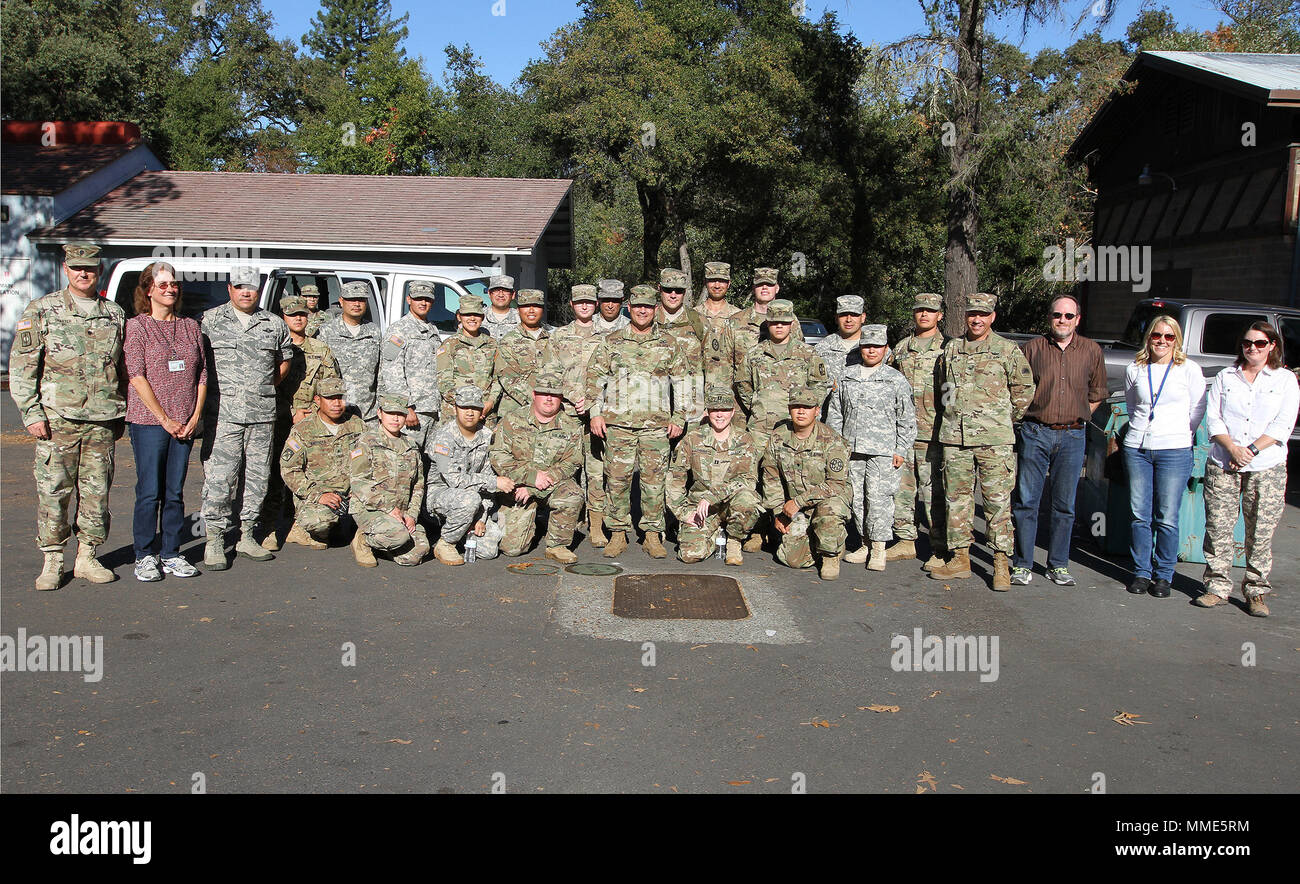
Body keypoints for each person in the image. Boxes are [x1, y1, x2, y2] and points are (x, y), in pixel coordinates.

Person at [9, 243, 126, 589]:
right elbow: (22, 366)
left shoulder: (115, 313)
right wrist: (31, 413)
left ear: (99, 270)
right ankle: (53, 559)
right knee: (54, 491)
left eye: (89, 267)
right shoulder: (43, 310)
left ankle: (87, 557)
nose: (83, 273)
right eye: (76, 267)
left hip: (101, 420)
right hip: (57, 418)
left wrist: (119, 413)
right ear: (65, 269)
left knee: (96, 492)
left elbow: (119, 367)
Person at [930, 293, 1035, 589]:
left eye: (983, 314)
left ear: (992, 317)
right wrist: (952, 415)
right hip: (955, 438)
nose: (976, 319)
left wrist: (1003, 419)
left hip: (994, 439)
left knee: (997, 503)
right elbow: (943, 388)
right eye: (972, 314)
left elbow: (1024, 390)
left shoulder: (1007, 350)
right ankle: (960, 557)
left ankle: (1000, 562)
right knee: (957, 501)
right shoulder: (951, 350)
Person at [1197, 322, 1299, 616]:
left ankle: (1256, 591)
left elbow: (1283, 424)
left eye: (1260, 343)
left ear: (1272, 346)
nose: (1252, 348)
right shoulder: (1225, 377)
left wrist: (1250, 451)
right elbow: (1213, 419)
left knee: (1260, 531)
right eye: (1247, 343)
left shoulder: (1284, 380)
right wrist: (1232, 449)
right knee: (1218, 527)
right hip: (1224, 462)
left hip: (1266, 465)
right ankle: (1217, 588)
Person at [199, 266, 293, 569]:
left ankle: (247, 535)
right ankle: (214, 538)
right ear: (230, 289)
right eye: (240, 287)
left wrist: (260, 389)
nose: (246, 292)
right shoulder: (210, 321)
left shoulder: (274, 324)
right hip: (222, 415)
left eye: (251, 287)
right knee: (220, 478)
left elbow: (282, 364)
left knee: (256, 477)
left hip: (261, 414)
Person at [586, 285, 689, 559]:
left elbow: (683, 383)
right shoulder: (612, 341)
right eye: (637, 306)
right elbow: (594, 378)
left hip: (656, 427)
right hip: (618, 425)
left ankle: (652, 535)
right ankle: (618, 533)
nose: (642, 310)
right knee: (617, 481)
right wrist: (595, 412)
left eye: (648, 306)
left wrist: (679, 417)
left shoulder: (669, 343)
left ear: (655, 309)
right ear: (628, 308)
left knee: (654, 483)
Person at [1010, 296, 1106, 587]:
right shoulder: (1032, 349)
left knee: (1065, 505)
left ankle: (1058, 565)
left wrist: (1078, 417)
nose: (1062, 320)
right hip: (1035, 432)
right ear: (1049, 318)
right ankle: (1022, 564)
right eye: (1056, 315)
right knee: (1027, 501)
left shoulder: (1091, 351)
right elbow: (1017, 389)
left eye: (1068, 315)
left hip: (1073, 436)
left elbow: (1097, 392)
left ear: (1078, 318)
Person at [123, 261, 206, 582]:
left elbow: (202, 374)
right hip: (149, 422)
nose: (170, 289)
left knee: (175, 492)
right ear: (148, 291)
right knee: (149, 491)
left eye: (173, 284)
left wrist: (195, 416)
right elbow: (136, 375)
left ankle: (172, 552)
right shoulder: (137, 327)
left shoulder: (190, 326)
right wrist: (165, 419)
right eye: (162, 285)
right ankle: (144, 554)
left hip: (185, 423)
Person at [1122, 314, 1207, 598]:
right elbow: (1133, 405)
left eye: (1168, 337)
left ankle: (1164, 575)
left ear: (1176, 340)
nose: (1162, 341)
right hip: (1138, 447)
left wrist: (1182, 434)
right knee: (1138, 515)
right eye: (1157, 335)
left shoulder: (1189, 369)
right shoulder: (1135, 367)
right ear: (1149, 338)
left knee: (1167, 516)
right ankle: (1141, 572)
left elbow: (1197, 408)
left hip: (1175, 449)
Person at [736, 298, 829, 550]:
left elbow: (820, 385)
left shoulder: (807, 353)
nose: (779, 326)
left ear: (791, 323)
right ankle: (757, 530)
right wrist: (757, 404)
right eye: (774, 322)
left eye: (784, 322)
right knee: (756, 475)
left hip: (793, 427)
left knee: (791, 477)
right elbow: (743, 385)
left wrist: (806, 413)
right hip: (760, 426)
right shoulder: (755, 354)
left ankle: (787, 528)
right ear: (768, 323)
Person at [827, 325, 916, 571]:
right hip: (852, 448)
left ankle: (879, 548)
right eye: (867, 346)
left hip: (883, 450)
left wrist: (901, 449)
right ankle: (865, 543)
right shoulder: (846, 376)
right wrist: (835, 447)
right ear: (861, 348)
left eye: (877, 346)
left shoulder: (895, 379)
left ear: (886, 350)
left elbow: (906, 419)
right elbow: (835, 414)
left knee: (878, 499)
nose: (872, 351)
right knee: (857, 499)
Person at [260, 294, 342, 550]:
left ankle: (300, 526)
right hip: (278, 419)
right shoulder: (271, 347)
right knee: (275, 473)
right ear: (282, 317)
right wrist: (292, 410)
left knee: (309, 472)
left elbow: (331, 386)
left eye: (302, 314)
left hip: (310, 423)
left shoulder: (321, 350)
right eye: (292, 314)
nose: (298, 318)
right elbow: (263, 385)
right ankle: (270, 527)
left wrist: (315, 412)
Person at [489, 369, 586, 563]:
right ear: (534, 395)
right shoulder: (512, 420)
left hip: (552, 484)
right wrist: (530, 478)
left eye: (555, 395)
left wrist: (537, 485)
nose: (549, 399)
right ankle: (531, 522)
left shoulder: (571, 426)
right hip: (517, 486)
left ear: (561, 398)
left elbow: (572, 462)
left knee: (573, 495)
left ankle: (557, 545)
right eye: (544, 393)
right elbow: (498, 455)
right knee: (512, 549)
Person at [543, 284, 610, 547]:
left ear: (595, 305)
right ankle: (567, 523)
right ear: (571, 304)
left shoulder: (607, 337)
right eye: (579, 302)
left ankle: (595, 525)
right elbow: (549, 371)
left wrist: (593, 401)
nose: (584, 306)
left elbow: (612, 375)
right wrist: (574, 394)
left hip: (597, 414)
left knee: (596, 470)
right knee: (566, 468)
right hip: (568, 412)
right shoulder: (559, 336)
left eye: (589, 302)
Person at [762, 385, 852, 580]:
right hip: (795, 507)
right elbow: (771, 478)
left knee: (829, 511)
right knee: (793, 559)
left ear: (817, 411)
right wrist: (779, 512)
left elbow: (836, 485)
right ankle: (815, 537)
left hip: (827, 500)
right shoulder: (778, 437)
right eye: (796, 407)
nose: (801, 411)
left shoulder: (832, 441)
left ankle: (831, 554)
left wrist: (799, 502)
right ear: (789, 410)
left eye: (807, 407)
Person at [666, 386, 761, 565]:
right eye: (714, 410)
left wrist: (713, 496)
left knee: (748, 501)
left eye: (724, 410)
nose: (719, 415)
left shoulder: (744, 440)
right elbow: (675, 479)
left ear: (732, 412)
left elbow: (748, 480)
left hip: (732, 504)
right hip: (701, 508)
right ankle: (714, 531)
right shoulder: (693, 439)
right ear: (707, 412)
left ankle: (734, 540)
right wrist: (683, 513)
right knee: (690, 555)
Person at [888, 292, 946, 564]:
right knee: (902, 489)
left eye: (930, 310)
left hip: (932, 433)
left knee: (933, 492)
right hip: (903, 434)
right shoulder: (901, 349)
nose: (924, 314)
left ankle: (939, 547)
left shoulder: (948, 349)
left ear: (939, 315)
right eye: (920, 310)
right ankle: (905, 540)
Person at [277, 378, 366, 549]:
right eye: (330, 398)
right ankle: (307, 530)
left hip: (351, 494)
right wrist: (318, 495)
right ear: (317, 400)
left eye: (340, 397)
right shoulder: (303, 430)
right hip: (317, 496)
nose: (337, 403)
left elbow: (372, 459)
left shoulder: (356, 425)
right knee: (318, 522)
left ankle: (341, 526)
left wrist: (361, 489)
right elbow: (289, 470)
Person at [426, 386, 509, 565]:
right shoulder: (443, 437)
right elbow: (454, 480)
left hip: (475, 502)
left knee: (488, 551)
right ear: (455, 408)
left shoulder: (487, 437)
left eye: (475, 408)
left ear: (481, 411)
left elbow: (488, 483)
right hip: (441, 496)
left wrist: (481, 516)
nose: (470, 413)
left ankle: (463, 529)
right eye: (464, 408)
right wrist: (493, 482)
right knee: (469, 499)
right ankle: (446, 543)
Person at [349, 394, 430, 567]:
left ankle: (387, 542)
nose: (395, 418)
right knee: (399, 536)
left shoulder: (411, 445)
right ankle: (363, 540)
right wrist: (388, 508)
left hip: (400, 513)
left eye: (400, 414)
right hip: (370, 508)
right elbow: (358, 482)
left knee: (418, 552)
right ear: (379, 413)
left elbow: (418, 484)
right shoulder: (366, 441)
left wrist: (412, 515)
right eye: (390, 413)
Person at [379, 280, 443, 450]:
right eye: (418, 298)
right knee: (410, 456)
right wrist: (405, 408)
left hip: (433, 408)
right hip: (414, 409)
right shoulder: (398, 330)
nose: (423, 303)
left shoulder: (432, 329)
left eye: (427, 299)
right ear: (409, 300)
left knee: (432, 460)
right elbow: (392, 370)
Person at [318, 280, 381, 422]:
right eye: (351, 299)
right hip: (338, 411)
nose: (356, 304)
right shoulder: (327, 331)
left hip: (369, 413)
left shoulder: (374, 331)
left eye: (361, 300)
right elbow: (318, 372)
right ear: (341, 301)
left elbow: (381, 372)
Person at [730, 267, 803, 382]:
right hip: (744, 390)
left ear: (777, 288)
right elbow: (726, 362)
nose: (764, 288)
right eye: (760, 284)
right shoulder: (736, 321)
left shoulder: (792, 320)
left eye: (769, 284)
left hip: (783, 390)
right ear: (754, 289)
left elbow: (800, 355)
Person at [436, 293, 497, 422]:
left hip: (484, 411)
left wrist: (490, 402)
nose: (472, 318)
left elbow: (498, 377)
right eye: (467, 314)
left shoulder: (492, 344)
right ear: (459, 317)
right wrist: (465, 406)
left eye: (477, 314)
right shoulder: (449, 345)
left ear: (483, 317)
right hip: (457, 411)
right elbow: (444, 382)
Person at [493, 288, 551, 422]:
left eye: (536, 306)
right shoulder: (508, 341)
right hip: (515, 410)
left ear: (542, 309)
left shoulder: (553, 340)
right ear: (518, 309)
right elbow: (507, 377)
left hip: (547, 411)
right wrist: (536, 401)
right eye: (526, 306)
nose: (531, 310)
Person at [655, 269, 705, 423]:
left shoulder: (698, 321)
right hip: (654, 406)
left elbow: (714, 366)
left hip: (691, 407)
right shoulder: (648, 321)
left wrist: (712, 406)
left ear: (684, 292)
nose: (673, 294)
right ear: (659, 288)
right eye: (668, 289)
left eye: (679, 290)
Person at [691, 262, 741, 390]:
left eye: (721, 281)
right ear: (705, 282)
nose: (717, 285)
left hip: (728, 389)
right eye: (712, 280)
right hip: (697, 387)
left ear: (728, 284)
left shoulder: (739, 317)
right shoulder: (693, 315)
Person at [815, 295, 866, 398]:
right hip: (828, 410)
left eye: (854, 314)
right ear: (836, 318)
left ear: (863, 317)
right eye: (843, 315)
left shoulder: (874, 349)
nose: (848, 319)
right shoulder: (821, 348)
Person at [483, 274, 521, 339]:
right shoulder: (478, 317)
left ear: (513, 295)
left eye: (505, 290)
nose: (501, 295)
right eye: (496, 290)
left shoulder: (521, 318)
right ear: (489, 293)